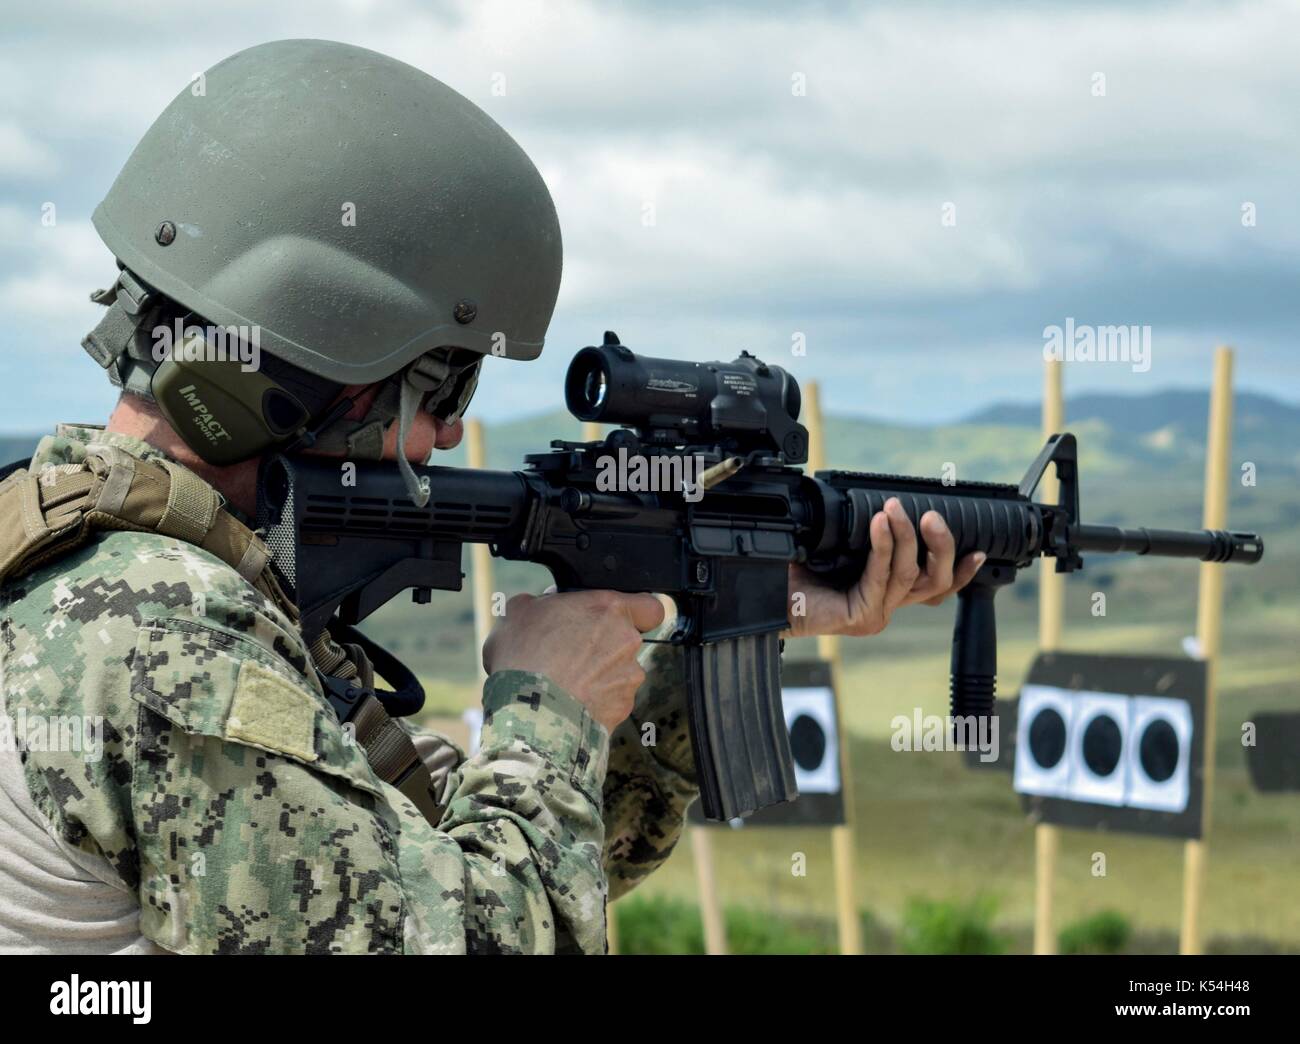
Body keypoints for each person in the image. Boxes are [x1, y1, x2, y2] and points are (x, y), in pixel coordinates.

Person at [0, 39, 981, 955]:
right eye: (445, 387)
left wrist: (727, 634)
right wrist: (544, 704)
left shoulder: (116, 567)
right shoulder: (168, 630)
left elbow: (451, 868)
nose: (452, 433)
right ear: (316, 379)